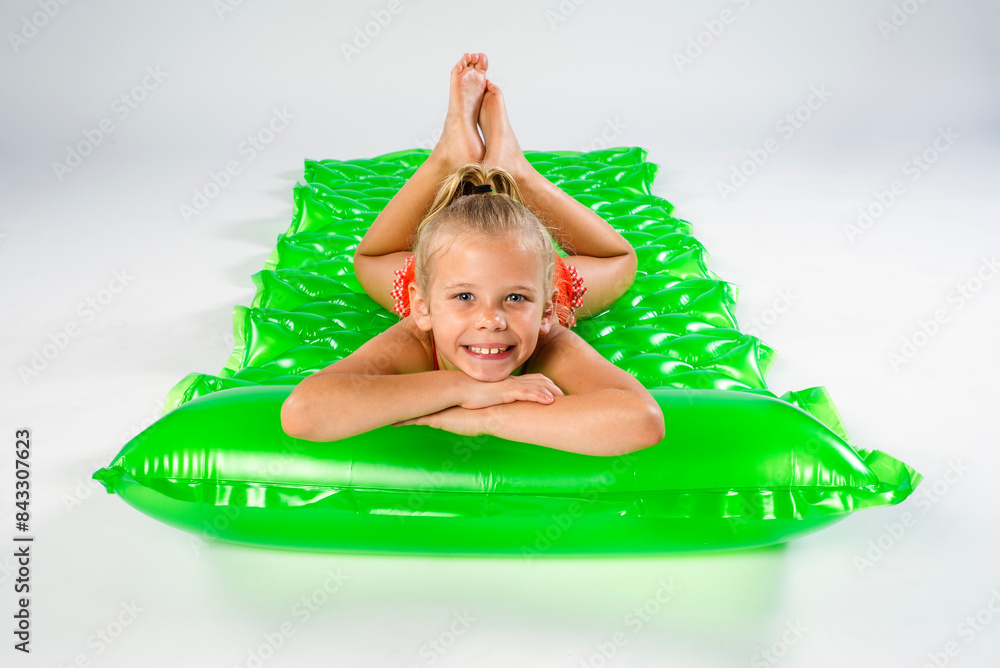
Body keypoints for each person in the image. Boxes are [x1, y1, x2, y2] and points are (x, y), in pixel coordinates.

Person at [280, 53, 664, 456]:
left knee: (622, 261)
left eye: (514, 298)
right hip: (441, 273)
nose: (491, 320)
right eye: (465, 297)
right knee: (369, 262)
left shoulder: (550, 338)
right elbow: (304, 412)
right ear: (422, 306)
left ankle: (516, 172)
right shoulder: (415, 335)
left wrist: (482, 416)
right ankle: (449, 155)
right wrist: (464, 388)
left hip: (544, 280)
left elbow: (641, 421)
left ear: (547, 310)